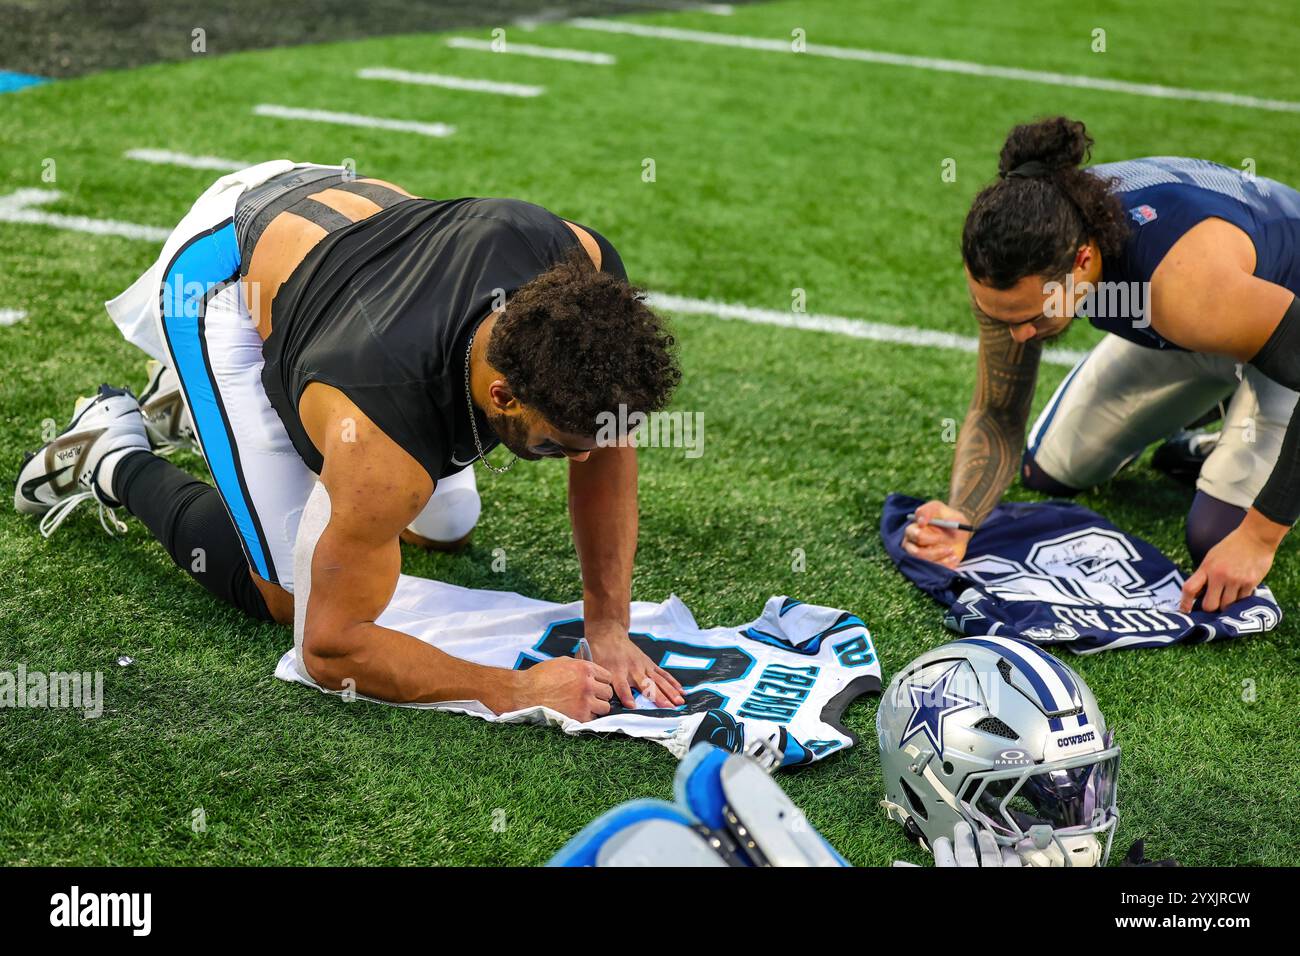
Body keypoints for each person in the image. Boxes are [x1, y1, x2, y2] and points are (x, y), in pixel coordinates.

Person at [15, 161, 686, 718]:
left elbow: (606, 443)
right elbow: (330, 649)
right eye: (561, 446)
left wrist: (607, 624)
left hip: (345, 237)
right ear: (501, 395)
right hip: (227, 276)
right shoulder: (381, 437)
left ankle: (201, 413)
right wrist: (513, 688)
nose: (587, 460)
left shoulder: (580, 268)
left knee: (449, 527)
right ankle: (113, 451)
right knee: (286, 594)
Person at [904, 117, 1300, 613]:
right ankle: (1218, 407)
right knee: (1052, 469)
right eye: (996, 315)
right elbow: (998, 412)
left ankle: (1226, 417)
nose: (1018, 335)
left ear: (1084, 260)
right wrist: (961, 516)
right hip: (1196, 325)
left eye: (1031, 317)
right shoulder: (1029, 251)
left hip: (1277, 328)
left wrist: (1260, 539)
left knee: (1216, 536)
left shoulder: (1183, 288)